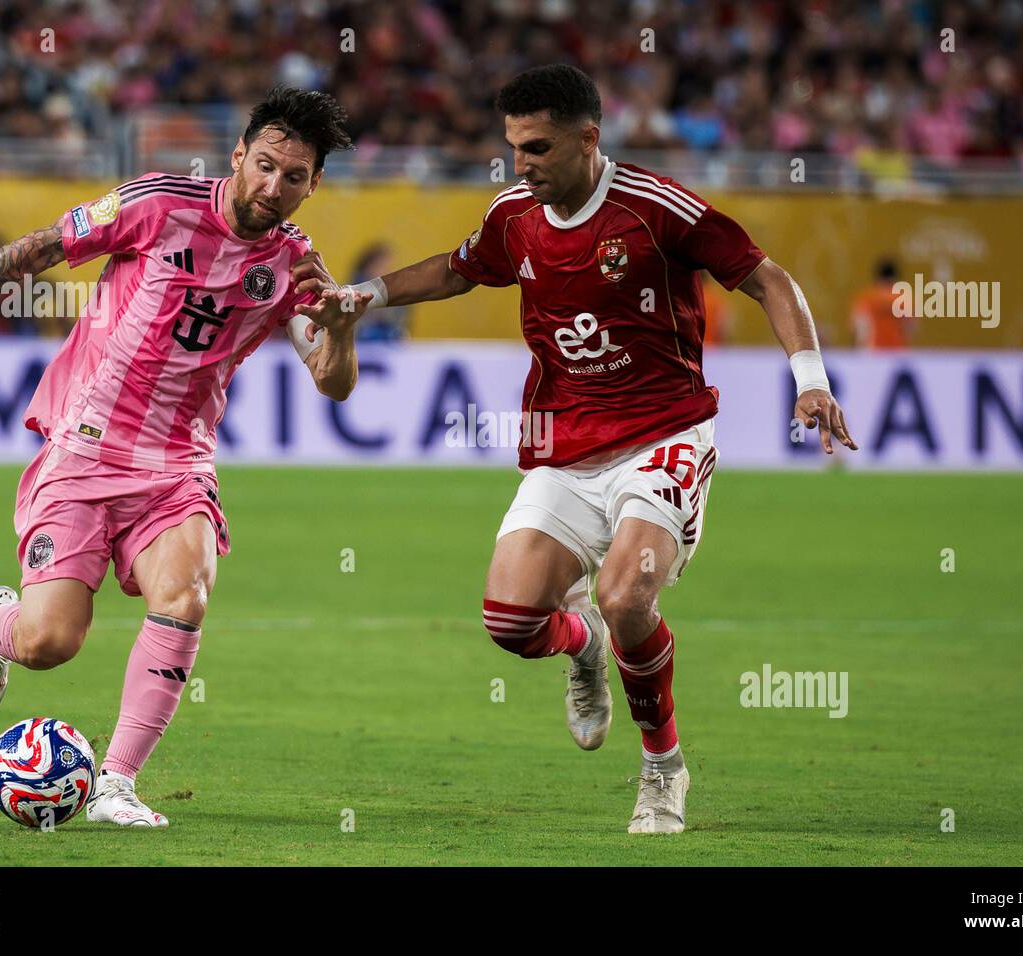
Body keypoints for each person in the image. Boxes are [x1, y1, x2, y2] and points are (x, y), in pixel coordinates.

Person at [320, 64, 858, 834]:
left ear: (588, 138)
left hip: (663, 433)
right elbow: (457, 270)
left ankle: (663, 769)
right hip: (564, 447)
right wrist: (365, 296)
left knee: (627, 592)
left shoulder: (656, 208)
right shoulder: (514, 216)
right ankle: (583, 647)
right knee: (509, 622)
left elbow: (769, 279)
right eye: (513, 147)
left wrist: (809, 379)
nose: (522, 164)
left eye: (537, 147)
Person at [0, 86, 371, 827]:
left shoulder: (297, 269)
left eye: (294, 176)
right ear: (238, 156)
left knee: (187, 595)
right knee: (49, 643)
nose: (274, 187)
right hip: (85, 446)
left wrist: (340, 329)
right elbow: (44, 246)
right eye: (264, 165)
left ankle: (115, 784)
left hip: (178, 466)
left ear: (313, 183)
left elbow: (331, 383)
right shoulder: (158, 202)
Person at [850, 258, 910, 349]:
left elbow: (858, 328)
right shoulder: (904, 299)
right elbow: (909, 328)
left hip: (872, 352)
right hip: (897, 351)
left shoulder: (866, 298)